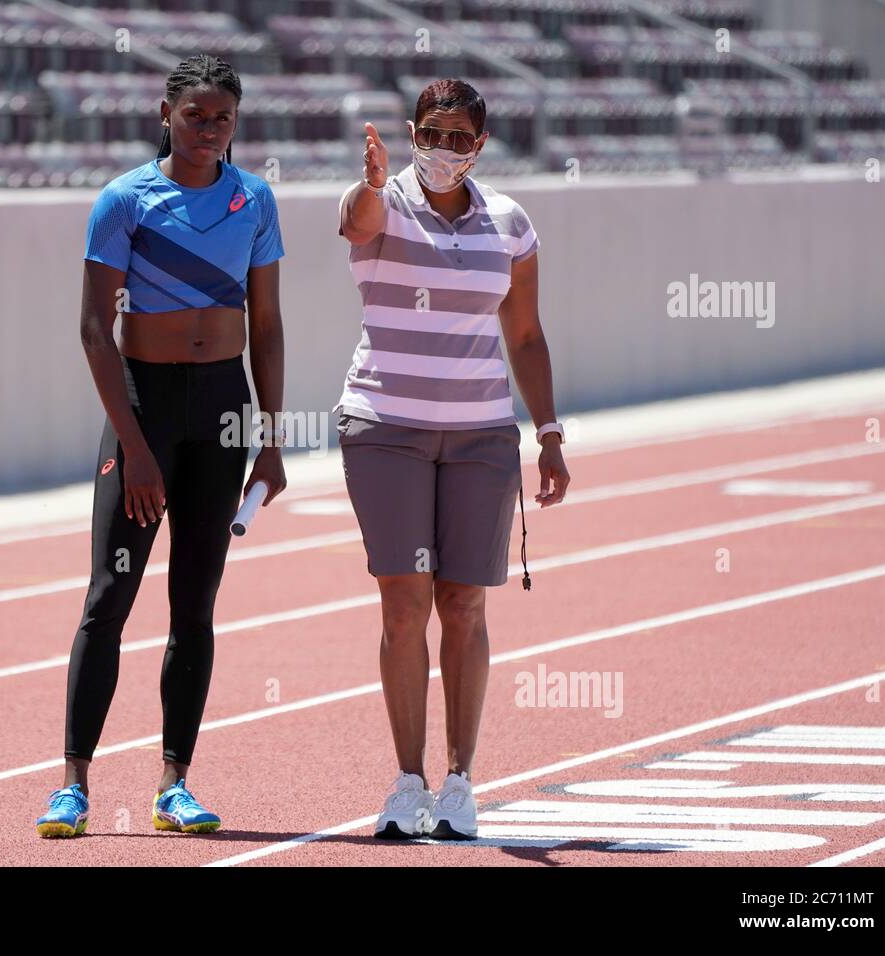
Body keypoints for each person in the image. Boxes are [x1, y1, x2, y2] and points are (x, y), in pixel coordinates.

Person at [36, 54, 287, 838]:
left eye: (223, 117)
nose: (209, 129)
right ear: (165, 114)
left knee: (195, 605)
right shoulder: (125, 200)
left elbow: (268, 328)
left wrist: (269, 440)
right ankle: (72, 784)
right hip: (143, 405)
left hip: (221, 409)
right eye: (195, 115)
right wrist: (136, 449)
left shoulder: (255, 200)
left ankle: (174, 782)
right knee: (108, 601)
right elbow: (92, 330)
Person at [334, 78, 570, 840]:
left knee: (464, 606)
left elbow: (525, 336)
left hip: (480, 436)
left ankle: (462, 780)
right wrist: (372, 183)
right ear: (412, 133)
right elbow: (355, 222)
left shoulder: (509, 221)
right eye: (430, 134)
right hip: (388, 428)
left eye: (458, 138)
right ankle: (408, 780)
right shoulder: (381, 201)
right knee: (404, 604)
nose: (441, 150)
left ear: (480, 145)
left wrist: (551, 431)